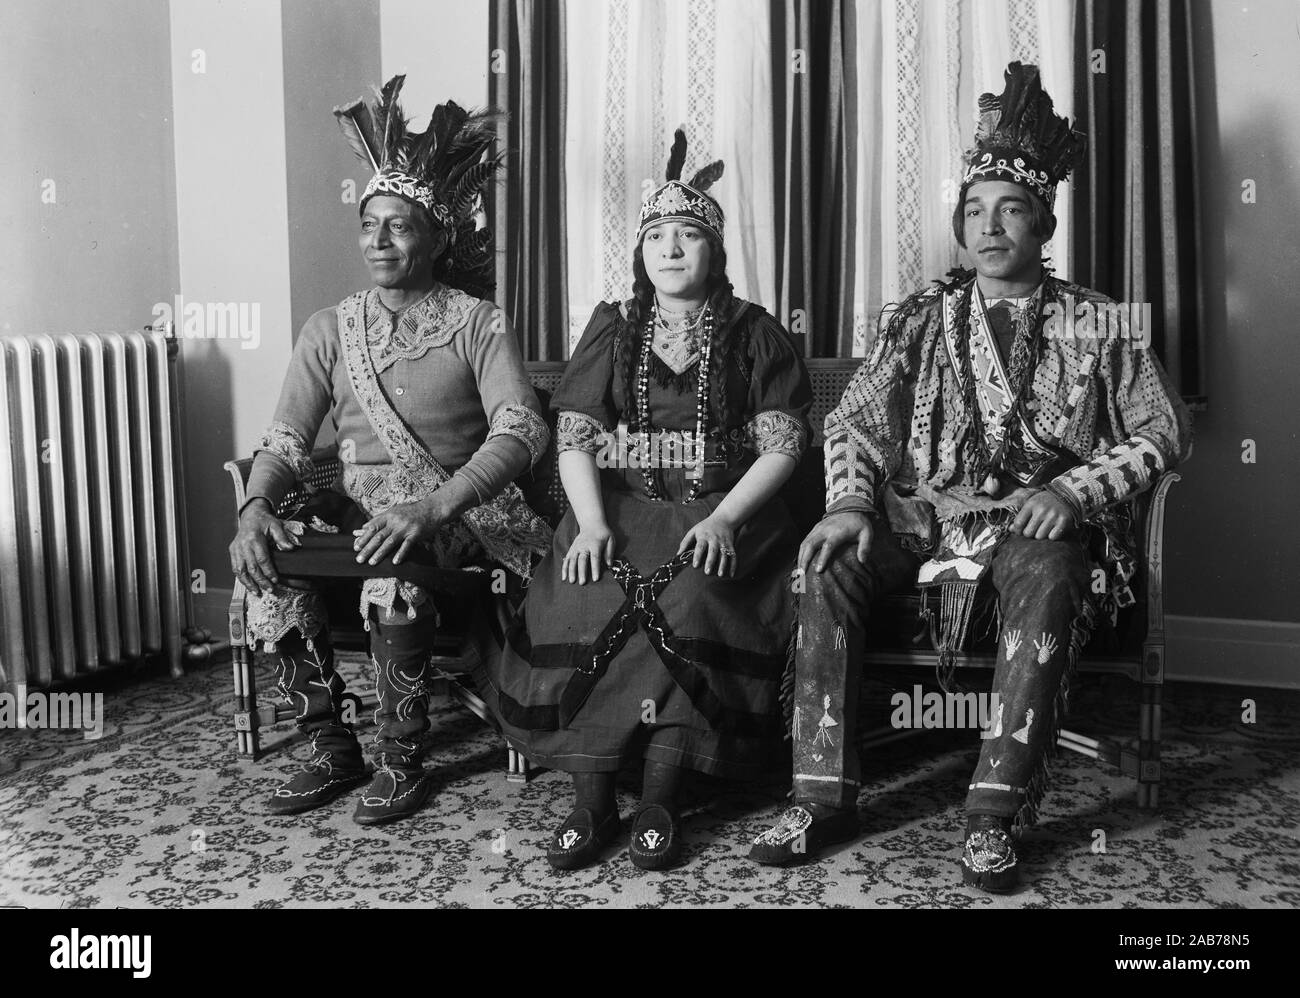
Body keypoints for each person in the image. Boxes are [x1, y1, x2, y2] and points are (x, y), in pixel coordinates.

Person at [748, 63, 1192, 891]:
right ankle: (820, 794)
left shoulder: (1097, 321)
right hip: (923, 517)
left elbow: (1165, 432)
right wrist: (848, 502)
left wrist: (1070, 492)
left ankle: (995, 810)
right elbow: (852, 421)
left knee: (1057, 573)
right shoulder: (919, 317)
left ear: (1044, 223)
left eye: (1011, 210)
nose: (990, 228)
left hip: (1033, 525)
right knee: (828, 565)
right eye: (976, 211)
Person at [475, 131, 813, 871]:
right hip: (621, 507)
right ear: (639, 254)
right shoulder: (616, 330)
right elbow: (574, 438)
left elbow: (784, 446)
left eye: (689, 235)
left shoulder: (756, 334)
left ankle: (662, 790)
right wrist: (590, 522)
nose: (671, 248)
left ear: (715, 252)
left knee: (690, 596)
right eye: (656, 236)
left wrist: (726, 516)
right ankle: (591, 799)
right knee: (587, 589)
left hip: (727, 511)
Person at [228, 76, 551, 826]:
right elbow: (282, 441)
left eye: (398, 226)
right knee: (269, 572)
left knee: (391, 578)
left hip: (459, 517)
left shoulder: (478, 322)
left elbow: (524, 430)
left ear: (435, 236)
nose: (378, 240)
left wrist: (436, 504)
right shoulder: (327, 329)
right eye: (368, 224)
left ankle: (402, 760)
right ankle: (330, 749)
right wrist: (254, 510)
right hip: (355, 511)